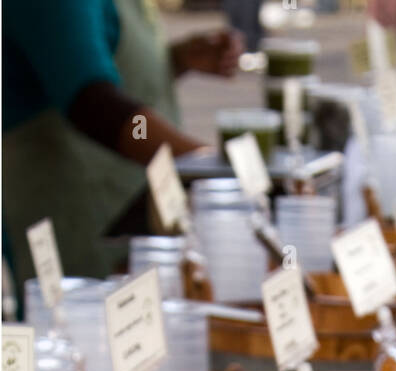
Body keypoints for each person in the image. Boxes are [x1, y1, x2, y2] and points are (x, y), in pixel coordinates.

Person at [2, 1, 243, 287]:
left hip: (132, 214)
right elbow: (95, 106)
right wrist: (204, 163)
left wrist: (175, 59)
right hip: (82, 220)